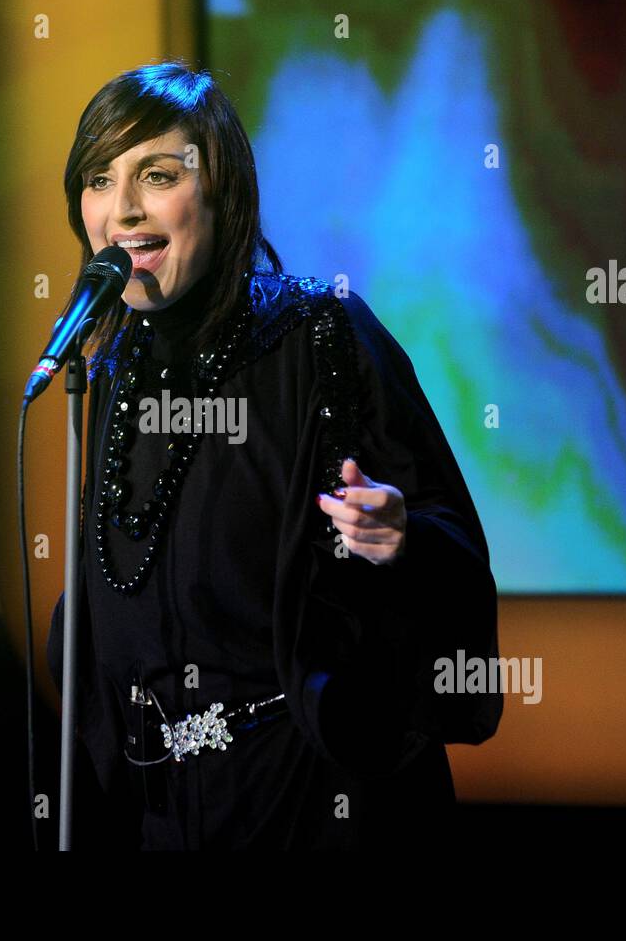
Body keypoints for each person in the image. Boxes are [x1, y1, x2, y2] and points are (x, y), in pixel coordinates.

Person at [47, 61, 501, 850]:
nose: (120, 210)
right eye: (98, 179)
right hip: (170, 814)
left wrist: (402, 540)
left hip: (306, 800)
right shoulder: (115, 370)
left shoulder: (320, 334)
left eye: (156, 175)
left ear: (219, 189)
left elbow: (450, 542)